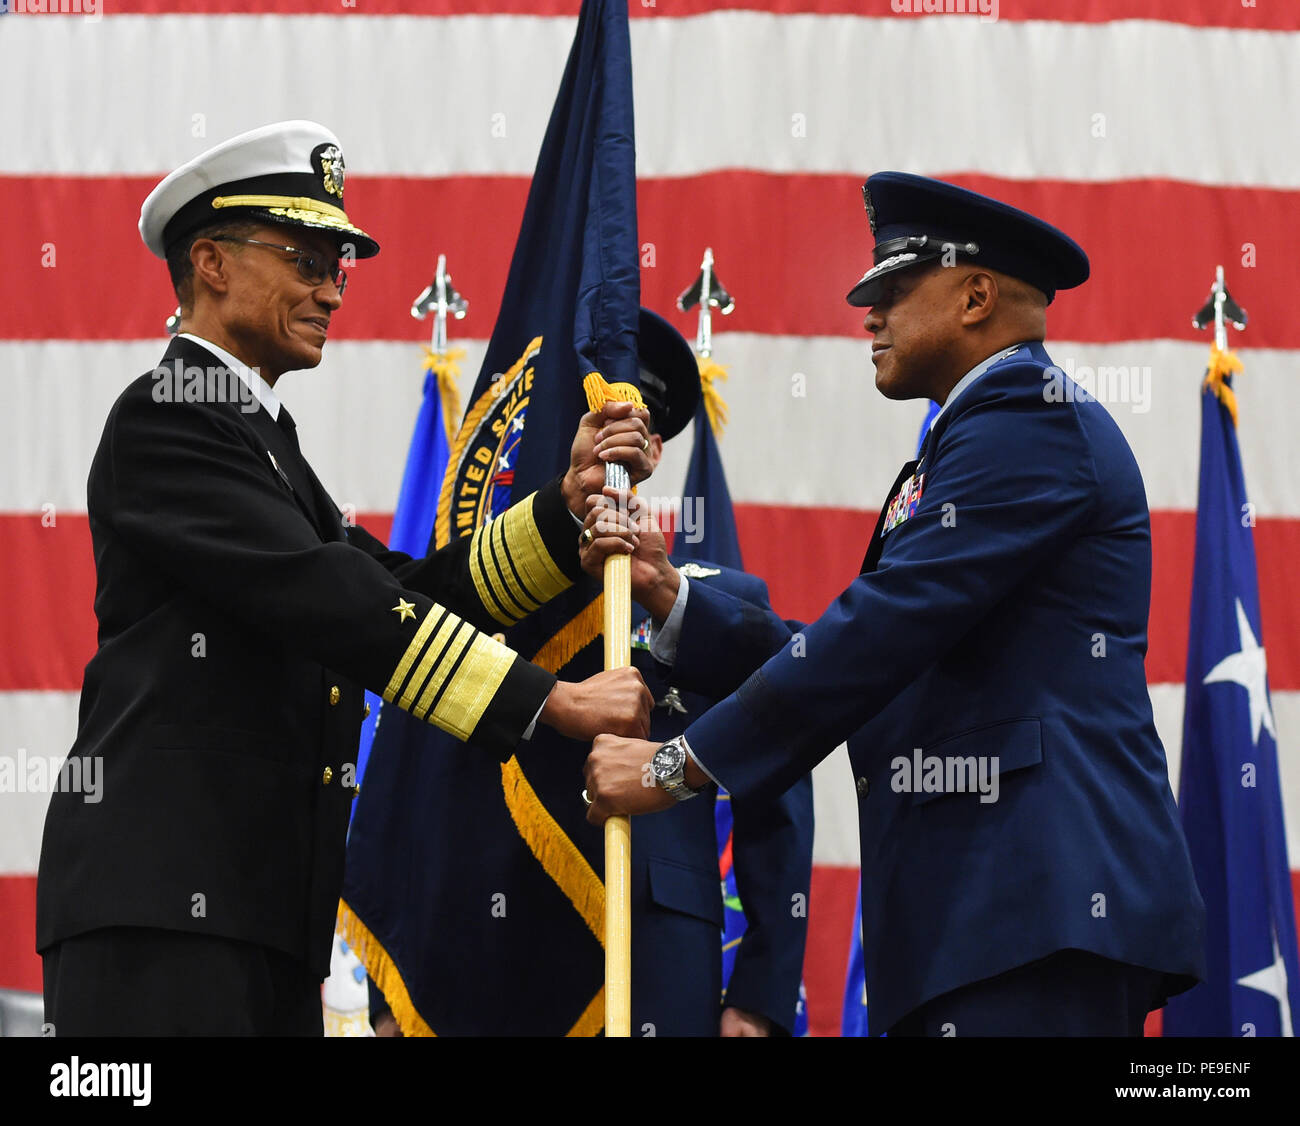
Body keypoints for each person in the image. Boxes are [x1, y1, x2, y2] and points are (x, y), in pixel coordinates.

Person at [36, 120, 655, 1036]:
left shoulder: (257, 437)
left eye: (341, 266)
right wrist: (550, 703)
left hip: (258, 916)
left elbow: (401, 588)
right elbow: (334, 598)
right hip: (165, 917)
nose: (332, 288)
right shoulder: (167, 416)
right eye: (306, 258)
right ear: (210, 262)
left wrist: (563, 519)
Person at [581, 172, 1207, 1036]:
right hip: (988, 921)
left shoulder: (1027, 418)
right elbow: (873, 647)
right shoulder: (973, 439)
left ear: (976, 295)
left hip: (1035, 910)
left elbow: (875, 634)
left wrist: (670, 767)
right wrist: (672, 593)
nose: (868, 316)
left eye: (893, 291)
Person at [360, 309, 814, 1037]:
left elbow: (786, 754)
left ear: (653, 450)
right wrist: (396, 990)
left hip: (654, 945)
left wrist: (759, 992)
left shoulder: (718, 600)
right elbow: (415, 751)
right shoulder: (483, 586)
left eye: (621, 437)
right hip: (482, 933)